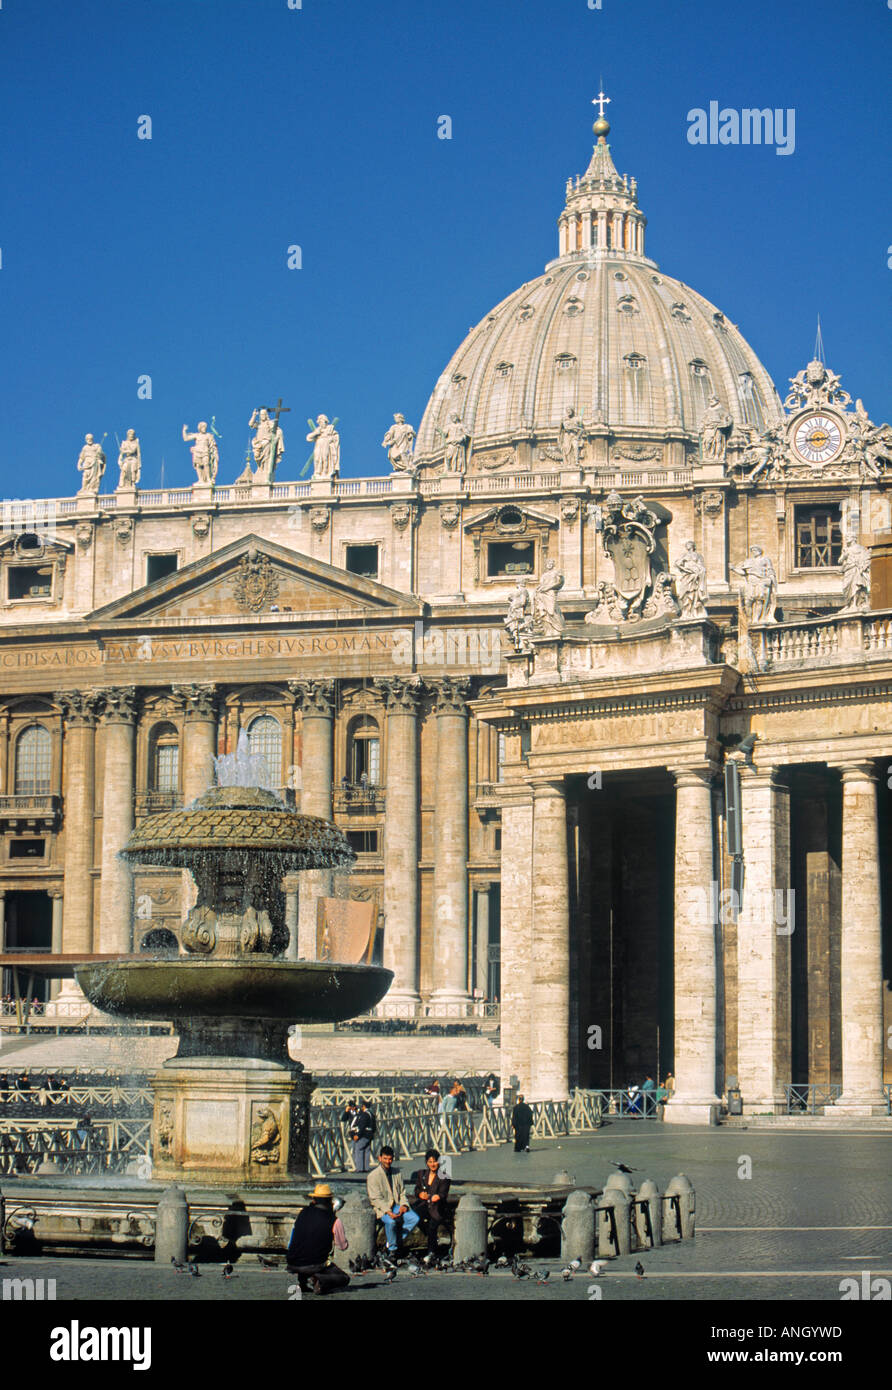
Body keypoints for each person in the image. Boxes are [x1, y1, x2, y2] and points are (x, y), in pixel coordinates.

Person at [286, 1182, 350, 1294]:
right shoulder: (334, 1220)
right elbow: (342, 1246)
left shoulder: (303, 1213)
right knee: (344, 1278)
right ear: (330, 1201)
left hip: (292, 1261)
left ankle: (303, 1282)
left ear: (314, 1200)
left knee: (306, 1250)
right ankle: (320, 1280)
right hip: (314, 1264)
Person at [367, 1146, 420, 1255]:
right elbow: (375, 1199)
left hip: (396, 1205)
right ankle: (392, 1249)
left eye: (390, 1159)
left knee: (414, 1218)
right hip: (382, 1208)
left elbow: (402, 1192)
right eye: (385, 1159)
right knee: (391, 1222)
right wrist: (388, 1211)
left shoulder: (397, 1173)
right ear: (379, 1158)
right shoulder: (373, 1176)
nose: (388, 1161)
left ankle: (394, 1240)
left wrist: (404, 1205)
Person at [411, 1149, 451, 1259]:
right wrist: (420, 1195)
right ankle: (432, 1242)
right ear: (426, 1163)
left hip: (438, 1208)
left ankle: (431, 1251)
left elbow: (443, 1193)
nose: (432, 1164)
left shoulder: (444, 1176)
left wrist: (438, 1196)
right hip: (424, 1206)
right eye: (430, 1162)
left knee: (433, 1225)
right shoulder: (422, 1174)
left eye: (435, 1161)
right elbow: (416, 1190)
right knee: (414, 1216)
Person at [349, 1098, 375, 1173]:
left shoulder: (364, 1115)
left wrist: (357, 1135)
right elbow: (374, 1126)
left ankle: (359, 1168)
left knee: (358, 1149)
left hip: (364, 1134)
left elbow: (362, 1126)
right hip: (370, 1134)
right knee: (366, 1150)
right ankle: (366, 1168)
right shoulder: (371, 1114)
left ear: (363, 1106)